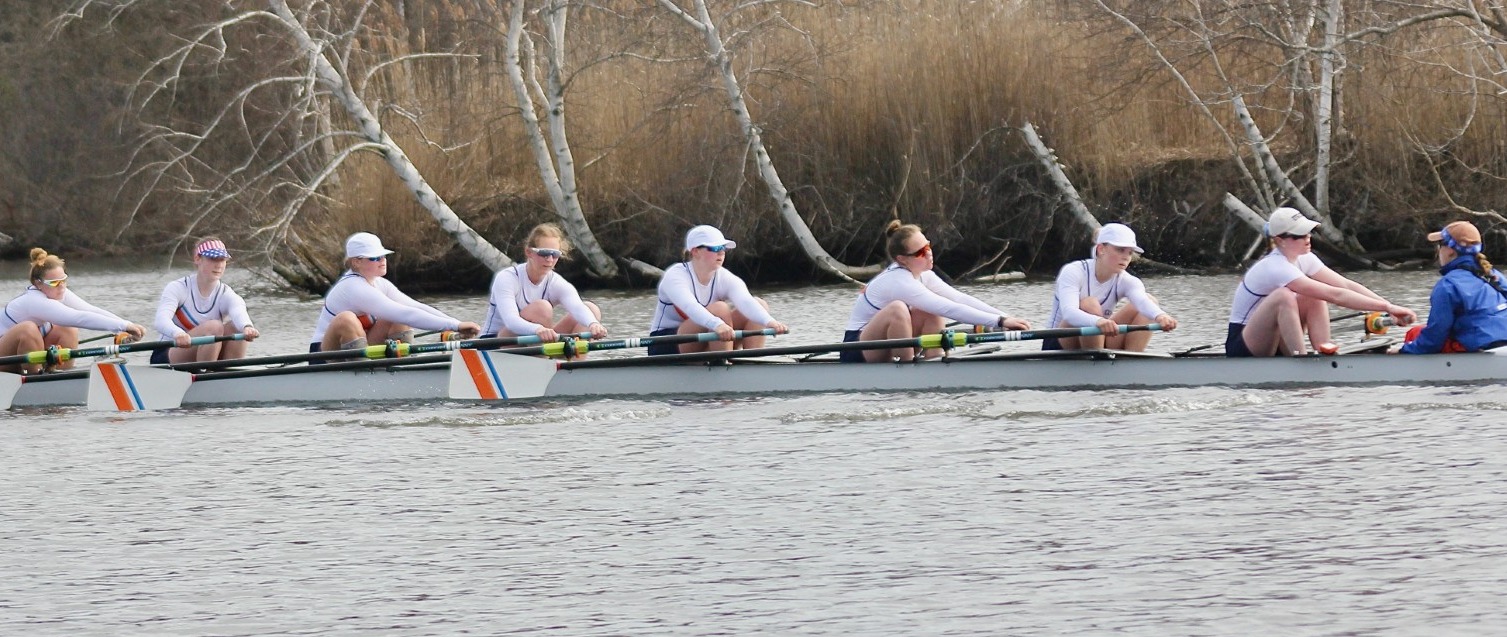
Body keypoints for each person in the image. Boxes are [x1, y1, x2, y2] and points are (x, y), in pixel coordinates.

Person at [1227, 207, 1417, 357]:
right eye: (1299, 235)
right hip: (1244, 343)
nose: (1307, 238)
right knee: (1284, 296)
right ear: (1280, 240)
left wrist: (1389, 308)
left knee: (1313, 298)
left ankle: (1324, 352)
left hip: (1277, 336)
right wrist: (1388, 307)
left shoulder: (1304, 257)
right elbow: (1335, 295)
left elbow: (1345, 286)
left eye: (1308, 232)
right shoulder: (1275, 266)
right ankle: (1300, 360)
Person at [842, 220, 1030, 363]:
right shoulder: (899, 280)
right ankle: (907, 371)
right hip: (858, 347)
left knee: (928, 310)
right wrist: (998, 322)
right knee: (898, 309)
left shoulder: (925, 275)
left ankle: (935, 360)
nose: (929, 253)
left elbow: (959, 299)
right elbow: (948, 308)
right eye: (921, 252)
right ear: (902, 259)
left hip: (886, 342)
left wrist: (1005, 317)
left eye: (928, 246)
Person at [310, 232, 480, 355]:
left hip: (359, 347)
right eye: (375, 258)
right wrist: (454, 326)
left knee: (396, 318)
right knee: (346, 318)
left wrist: (458, 323)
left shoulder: (380, 284)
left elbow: (415, 307)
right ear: (356, 262)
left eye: (383, 256)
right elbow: (406, 314)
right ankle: (359, 375)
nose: (382, 261)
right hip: (325, 354)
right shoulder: (352, 287)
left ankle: (400, 367)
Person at [647, 225, 789, 356]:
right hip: (665, 343)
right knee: (720, 309)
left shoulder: (723, 276)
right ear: (695, 251)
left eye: (723, 248)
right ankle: (723, 366)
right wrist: (717, 324)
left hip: (709, 335)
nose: (721, 252)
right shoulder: (675, 276)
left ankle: (752, 363)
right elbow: (690, 307)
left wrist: (770, 322)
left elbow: (746, 301)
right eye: (714, 248)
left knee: (759, 304)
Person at [0, 248, 147, 373]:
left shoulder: (58, 292)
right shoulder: (34, 301)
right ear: (38, 283)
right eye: (55, 282)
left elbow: (90, 310)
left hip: (24, 354)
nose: (62, 286)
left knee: (68, 329)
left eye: (64, 279)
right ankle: (36, 379)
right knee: (28, 329)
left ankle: (62, 375)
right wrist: (125, 326)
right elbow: (79, 317)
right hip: (5, 357)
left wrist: (126, 325)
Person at [1043, 223, 1178, 352]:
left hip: (1098, 337)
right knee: (1090, 304)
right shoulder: (1073, 272)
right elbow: (1069, 313)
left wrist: (1161, 316)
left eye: (1130, 252)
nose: (1126, 257)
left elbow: (1142, 302)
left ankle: (1132, 364)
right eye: (1120, 250)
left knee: (1150, 301)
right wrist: (1099, 321)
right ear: (1101, 249)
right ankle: (1096, 364)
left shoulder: (1128, 281)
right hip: (1059, 342)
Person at [482, 223, 608, 343]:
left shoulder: (556, 282)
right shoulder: (507, 278)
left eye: (555, 254)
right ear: (529, 252)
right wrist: (537, 329)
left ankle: (575, 363)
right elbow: (511, 321)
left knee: (591, 310)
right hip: (496, 342)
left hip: (538, 340)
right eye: (544, 253)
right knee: (542, 308)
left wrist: (593, 324)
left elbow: (577, 307)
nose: (549, 259)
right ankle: (544, 360)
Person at [1396, 221, 1507, 354]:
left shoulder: (1448, 285)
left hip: (1482, 346)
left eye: (1439, 245)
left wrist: (1403, 350)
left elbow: (1434, 336)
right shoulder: (1494, 275)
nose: (1438, 251)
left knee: (1414, 333)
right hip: (1500, 342)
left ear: (1450, 251)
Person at [151, 238, 260, 365]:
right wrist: (178, 334)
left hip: (204, 352)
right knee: (214, 327)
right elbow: (160, 321)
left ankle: (228, 375)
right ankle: (207, 375)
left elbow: (238, 310)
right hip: (168, 353)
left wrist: (247, 327)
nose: (219, 265)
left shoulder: (226, 293)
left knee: (237, 327)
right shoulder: (178, 288)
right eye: (213, 259)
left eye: (222, 260)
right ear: (198, 259)